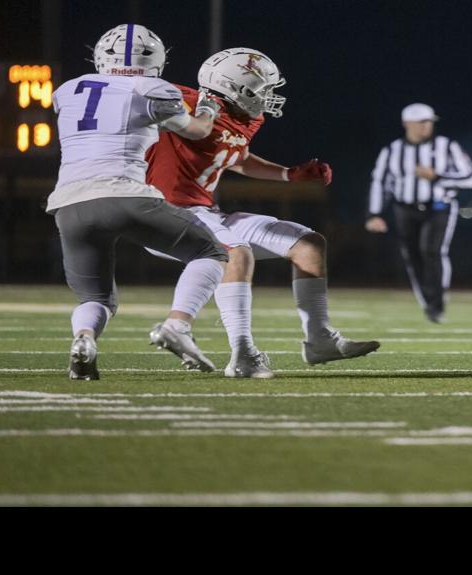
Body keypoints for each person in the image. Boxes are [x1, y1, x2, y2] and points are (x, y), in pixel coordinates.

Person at [143, 47, 380, 379]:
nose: (269, 96)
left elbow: (236, 157)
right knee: (235, 254)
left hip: (206, 211)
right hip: (163, 213)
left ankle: (319, 339)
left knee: (309, 244)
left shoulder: (248, 116)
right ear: (234, 86)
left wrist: (288, 174)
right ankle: (243, 354)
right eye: (263, 89)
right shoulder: (183, 102)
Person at [48, 23, 227, 381]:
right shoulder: (151, 87)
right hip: (125, 194)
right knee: (212, 252)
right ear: (157, 59)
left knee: (96, 298)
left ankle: (83, 339)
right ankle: (178, 324)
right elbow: (197, 130)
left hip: (69, 204)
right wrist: (207, 108)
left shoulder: (67, 90)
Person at [365, 104, 472, 323]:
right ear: (407, 123)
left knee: (432, 250)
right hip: (404, 209)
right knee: (412, 256)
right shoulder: (392, 150)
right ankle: (427, 301)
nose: (427, 126)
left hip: (438, 207)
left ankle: (437, 304)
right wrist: (373, 214)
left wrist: (437, 177)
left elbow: (471, 178)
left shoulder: (447, 146)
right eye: (421, 122)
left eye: (429, 122)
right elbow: (380, 182)